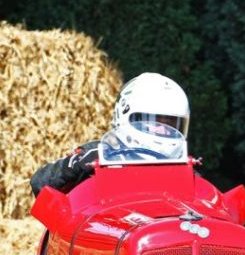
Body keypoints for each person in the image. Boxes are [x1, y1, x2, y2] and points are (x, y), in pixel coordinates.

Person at [30, 72, 191, 197]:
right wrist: (74, 166)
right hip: (103, 231)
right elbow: (39, 183)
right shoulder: (96, 154)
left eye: (170, 124)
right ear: (125, 114)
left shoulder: (183, 166)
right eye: (154, 122)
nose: (162, 130)